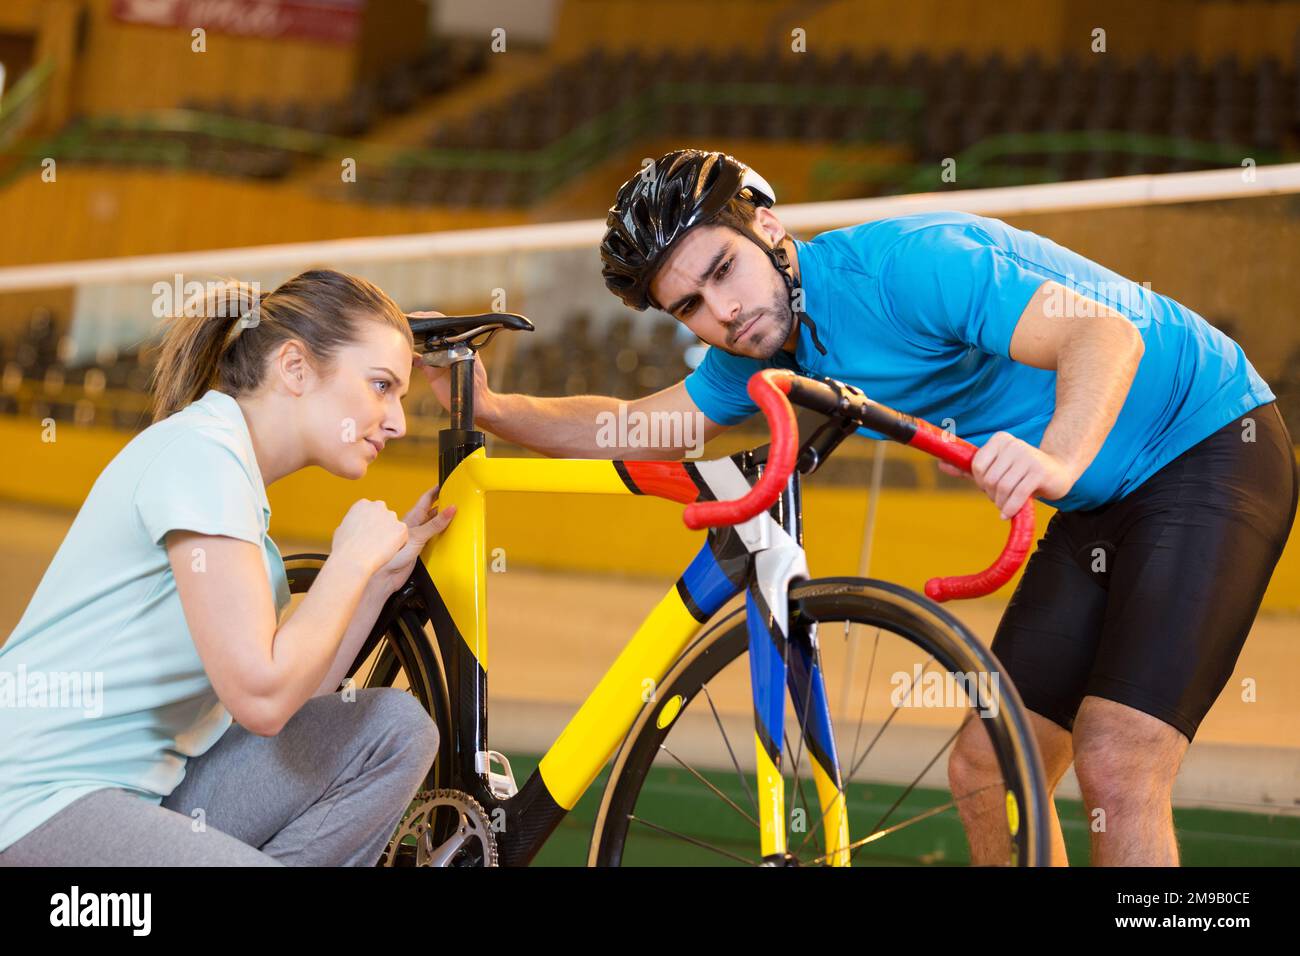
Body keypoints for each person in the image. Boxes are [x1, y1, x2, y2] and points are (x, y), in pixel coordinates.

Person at [421, 149, 1298, 866]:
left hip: (1209, 443)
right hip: (1097, 498)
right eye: (689, 305)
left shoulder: (909, 265)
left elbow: (1104, 332)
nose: (722, 313)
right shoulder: (752, 344)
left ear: (768, 225)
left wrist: (1058, 455)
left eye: (724, 271)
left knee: (1116, 764)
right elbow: (635, 425)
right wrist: (496, 411)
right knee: (987, 768)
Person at [0, 269, 454, 866]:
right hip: (40, 800)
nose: (397, 420)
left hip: (146, 791)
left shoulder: (233, 487)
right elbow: (262, 701)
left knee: (396, 729)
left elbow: (287, 699)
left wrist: (375, 581)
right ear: (294, 368)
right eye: (380, 386)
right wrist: (347, 561)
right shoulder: (202, 458)